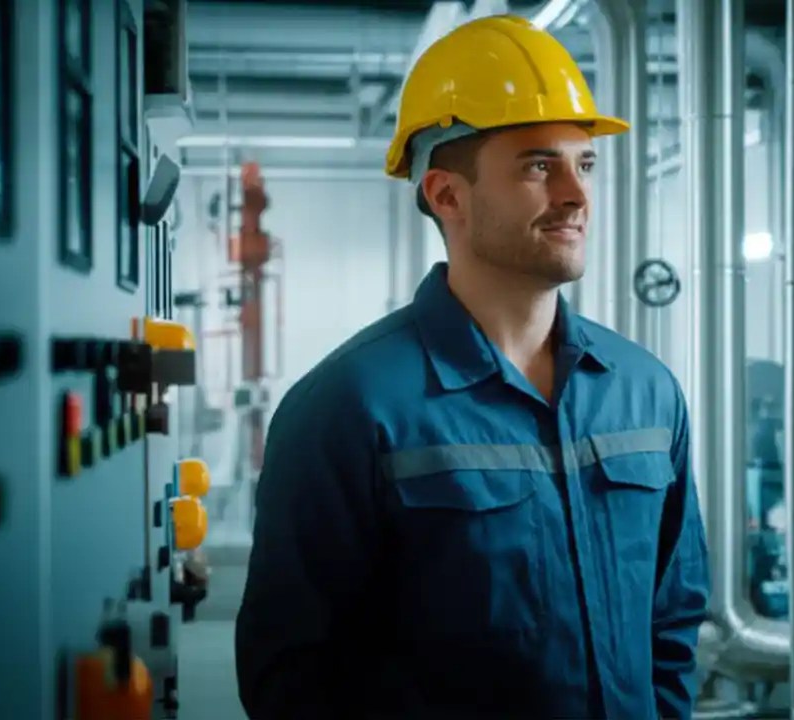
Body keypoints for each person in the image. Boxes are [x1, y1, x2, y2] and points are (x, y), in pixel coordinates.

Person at [234, 13, 710, 720]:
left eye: (585, 164)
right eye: (538, 165)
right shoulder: (349, 408)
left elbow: (671, 624)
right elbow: (293, 677)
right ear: (447, 194)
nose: (576, 195)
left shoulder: (646, 394)